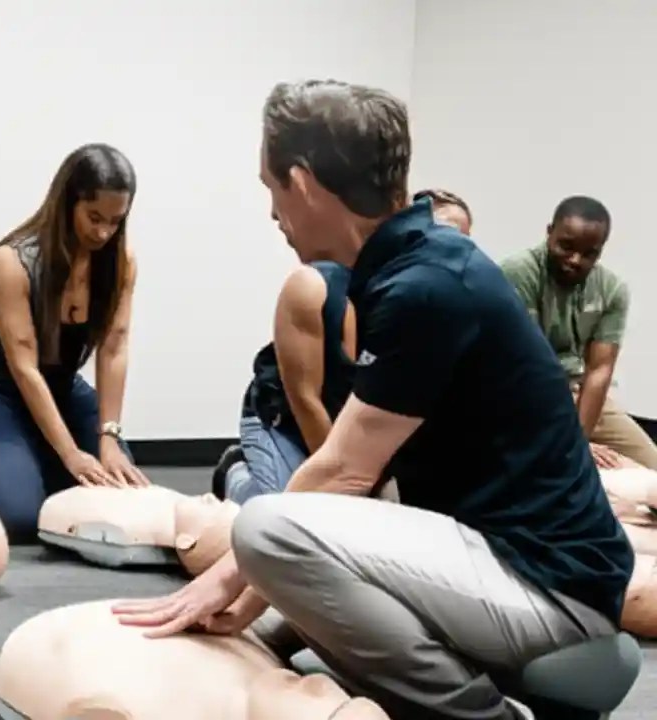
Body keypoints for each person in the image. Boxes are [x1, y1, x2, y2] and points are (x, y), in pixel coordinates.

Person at [114, 80, 632, 720]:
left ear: (302, 183)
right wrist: (269, 609)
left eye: (270, 189)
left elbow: (344, 471)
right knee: (281, 538)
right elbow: (371, 478)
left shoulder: (426, 287)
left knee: (264, 525)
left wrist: (229, 575)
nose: (273, 212)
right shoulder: (413, 266)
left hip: (553, 593)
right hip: (512, 566)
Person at [0, 143, 148, 542]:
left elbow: (114, 347)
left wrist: (109, 437)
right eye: (94, 218)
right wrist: (70, 454)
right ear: (67, 202)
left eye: (115, 221)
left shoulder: (121, 263)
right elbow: (24, 367)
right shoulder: (13, 261)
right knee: (17, 519)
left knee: (113, 488)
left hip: (62, 387)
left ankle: (27, 461)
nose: (104, 232)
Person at [501, 196, 657, 470]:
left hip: (579, 395)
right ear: (549, 232)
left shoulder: (611, 289)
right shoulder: (519, 272)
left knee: (652, 466)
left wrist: (578, 440)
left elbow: (599, 370)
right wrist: (569, 441)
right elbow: (525, 363)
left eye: (589, 254)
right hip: (525, 395)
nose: (575, 260)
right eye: (566, 246)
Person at [214, 223, 357, 503]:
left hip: (341, 422)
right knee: (281, 518)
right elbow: (305, 400)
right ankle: (233, 472)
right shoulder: (318, 285)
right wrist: (339, 483)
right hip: (282, 417)